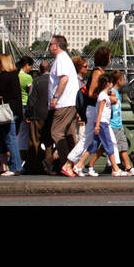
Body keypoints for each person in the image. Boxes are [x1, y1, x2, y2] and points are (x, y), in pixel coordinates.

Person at [47, 35, 81, 169]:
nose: (49, 47)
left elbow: (64, 79)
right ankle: (75, 164)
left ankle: (66, 164)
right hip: (71, 102)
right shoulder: (65, 58)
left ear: (56, 45)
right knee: (69, 134)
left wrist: (55, 97)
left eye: (50, 44)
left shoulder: (61, 59)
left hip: (64, 102)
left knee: (56, 132)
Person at [25, 60, 51, 174]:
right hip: (50, 114)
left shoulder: (36, 81)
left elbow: (31, 100)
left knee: (35, 141)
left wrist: (28, 114)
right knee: (49, 142)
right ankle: (49, 165)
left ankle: (34, 166)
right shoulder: (54, 81)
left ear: (39, 70)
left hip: (37, 115)